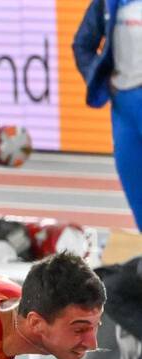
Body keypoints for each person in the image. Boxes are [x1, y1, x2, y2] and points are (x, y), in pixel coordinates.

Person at [74, 0, 142, 232]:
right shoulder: (108, 2)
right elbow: (82, 44)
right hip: (125, 108)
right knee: (136, 190)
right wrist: (101, 80)